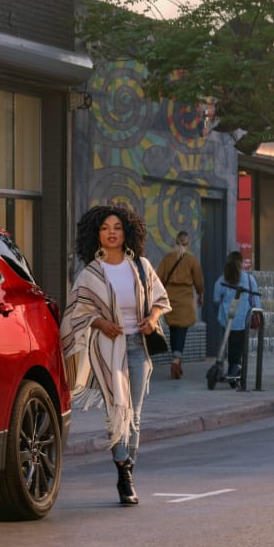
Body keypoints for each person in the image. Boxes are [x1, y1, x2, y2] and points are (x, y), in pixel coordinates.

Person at [61, 204, 171, 506]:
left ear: (127, 232)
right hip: (107, 348)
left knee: (133, 414)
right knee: (115, 410)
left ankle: (129, 467)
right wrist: (100, 323)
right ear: (96, 233)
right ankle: (123, 471)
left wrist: (152, 319)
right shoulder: (90, 273)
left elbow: (160, 299)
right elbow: (77, 312)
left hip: (138, 347)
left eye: (117, 228)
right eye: (105, 228)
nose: (111, 233)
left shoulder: (141, 266)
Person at [155, 229, 204, 379]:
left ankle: (177, 359)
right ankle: (176, 361)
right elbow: (199, 281)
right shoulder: (192, 260)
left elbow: (158, 279)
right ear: (187, 244)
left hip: (170, 298)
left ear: (175, 243)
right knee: (182, 331)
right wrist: (201, 294)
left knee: (174, 329)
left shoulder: (167, 259)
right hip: (185, 300)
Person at [213, 251, 261, 378]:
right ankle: (235, 368)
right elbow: (255, 301)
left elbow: (216, 299)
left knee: (227, 344)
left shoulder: (222, 279)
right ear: (241, 263)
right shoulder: (249, 279)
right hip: (242, 321)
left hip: (226, 319)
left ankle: (226, 367)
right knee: (238, 347)